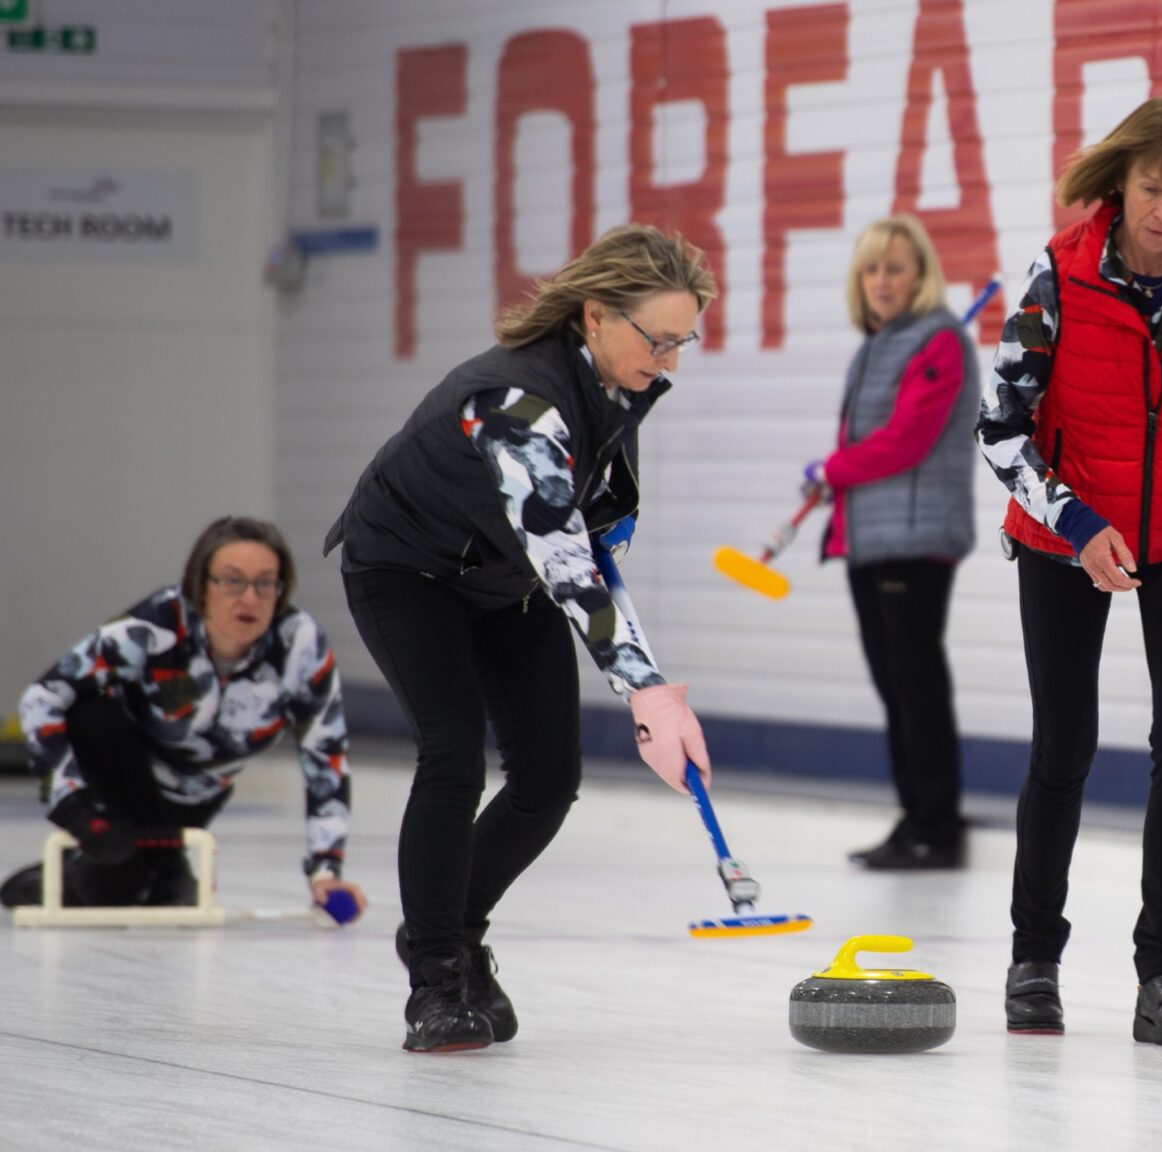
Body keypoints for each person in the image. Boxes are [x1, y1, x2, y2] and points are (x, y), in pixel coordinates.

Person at [324, 223, 718, 1054]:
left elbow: (588, 546)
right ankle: (434, 978)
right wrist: (643, 689)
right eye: (659, 339)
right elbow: (563, 554)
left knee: (548, 776)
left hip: (508, 579)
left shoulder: (618, 389)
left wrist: (649, 681)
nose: (671, 361)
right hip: (408, 569)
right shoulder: (514, 405)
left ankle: (456, 933)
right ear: (595, 316)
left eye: (684, 341)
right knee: (452, 752)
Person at [976, 97, 1162, 1046]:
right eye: (1151, 190)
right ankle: (1034, 958)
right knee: (1063, 743)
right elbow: (1000, 428)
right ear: (1120, 183)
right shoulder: (1059, 271)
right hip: (1065, 532)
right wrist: (1077, 525)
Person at [1, 516, 365, 921]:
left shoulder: (300, 646)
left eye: (265, 583)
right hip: (121, 784)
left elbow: (326, 756)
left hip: (196, 799)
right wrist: (73, 806)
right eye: (232, 581)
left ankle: (148, 872)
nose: (249, 598)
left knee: (123, 887)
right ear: (200, 586)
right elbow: (43, 697)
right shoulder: (155, 625)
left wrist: (326, 869)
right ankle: (156, 871)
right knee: (92, 710)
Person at [802, 215, 979, 871]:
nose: (881, 281)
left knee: (914, 682)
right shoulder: (876, 344)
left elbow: (908, 439)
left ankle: (937, 826)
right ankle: (914, 819)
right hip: (871, 537)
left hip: (914, 536)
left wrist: (831, 470)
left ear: (920, 275)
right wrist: (835, 481)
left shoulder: (937, 341)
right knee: (893, 683)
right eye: (871, 268)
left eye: (895, 268)